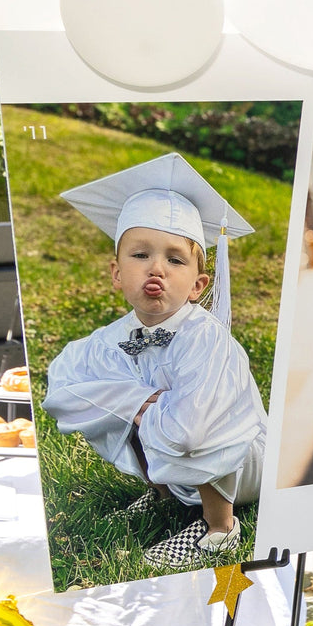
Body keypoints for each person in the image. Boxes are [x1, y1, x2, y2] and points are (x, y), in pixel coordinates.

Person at [43, 152, 266, 569]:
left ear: (199, 284)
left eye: (175, 259)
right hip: (175, 460)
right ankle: (162, 495)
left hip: (243, 469)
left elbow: (189, 429)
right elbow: (63, 388)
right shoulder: (111, 339)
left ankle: (219, 529)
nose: (156, 268)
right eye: (140, 255)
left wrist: (146, 408)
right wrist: (135, 403)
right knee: (124, 404)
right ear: (115, 273)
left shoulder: (205, 338)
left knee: (192, 419)